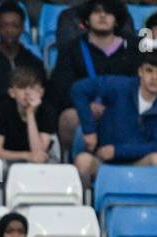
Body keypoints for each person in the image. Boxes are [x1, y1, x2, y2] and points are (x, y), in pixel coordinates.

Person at [46, 0, 141, 155]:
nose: (102, 16)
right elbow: (61, 88)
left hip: (123, 111)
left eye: (108, 12)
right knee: (69, 118)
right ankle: (69, 161)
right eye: (97, 12)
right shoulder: (71, 49)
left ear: (117, 19)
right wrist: (85, 106)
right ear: (87, 19)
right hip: (83, 111)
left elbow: (139, 85)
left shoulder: (133, 48)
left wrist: (115, 106)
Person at [71, 50, 157, 190]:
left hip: (139, 164)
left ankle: (156, 203)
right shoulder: (120, 86)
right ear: (140, 71)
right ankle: (87, 203)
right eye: (149, 70)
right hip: (104, 163)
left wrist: (117, 151)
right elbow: (79, 89)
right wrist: (89, 129)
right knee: (83, 162)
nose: (154, 77)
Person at [0, 2, 46, 130]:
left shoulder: (34, 63)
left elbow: (43, 96)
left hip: (31, 120)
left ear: (22, 28)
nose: (9, 30)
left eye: (15, 26)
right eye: (4, 25)